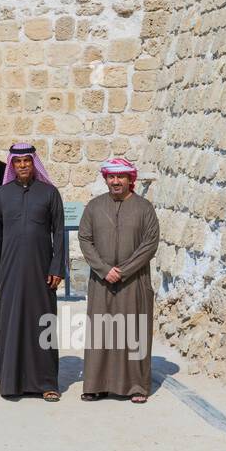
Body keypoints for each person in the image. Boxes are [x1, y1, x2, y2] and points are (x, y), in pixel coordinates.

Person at [77, 157, 161, 404]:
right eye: (111, 177)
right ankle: (96, 385)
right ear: (106, 179)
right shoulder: (94, 207)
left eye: (120, 177)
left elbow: (150, 244)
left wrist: (123, 271)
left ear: (130, 179)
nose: (115, 182)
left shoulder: (144, 208)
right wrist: (104, 269)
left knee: (133, 332)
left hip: (134, 281)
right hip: (101, 281)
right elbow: (85, 239)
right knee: (101, 331)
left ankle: (136, 387)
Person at [0, 143, 67, 401]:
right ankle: (12, 383)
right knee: (10, 324)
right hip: (10, 272)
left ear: (34, 163)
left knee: (43, 323)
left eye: (27, 161)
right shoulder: (1, 195)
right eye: (18, 161)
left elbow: (59, 232)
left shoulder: (49, 193)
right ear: (12, 164)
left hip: (42, 271)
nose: (22, 165)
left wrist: (57, 267)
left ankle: (47, 383)